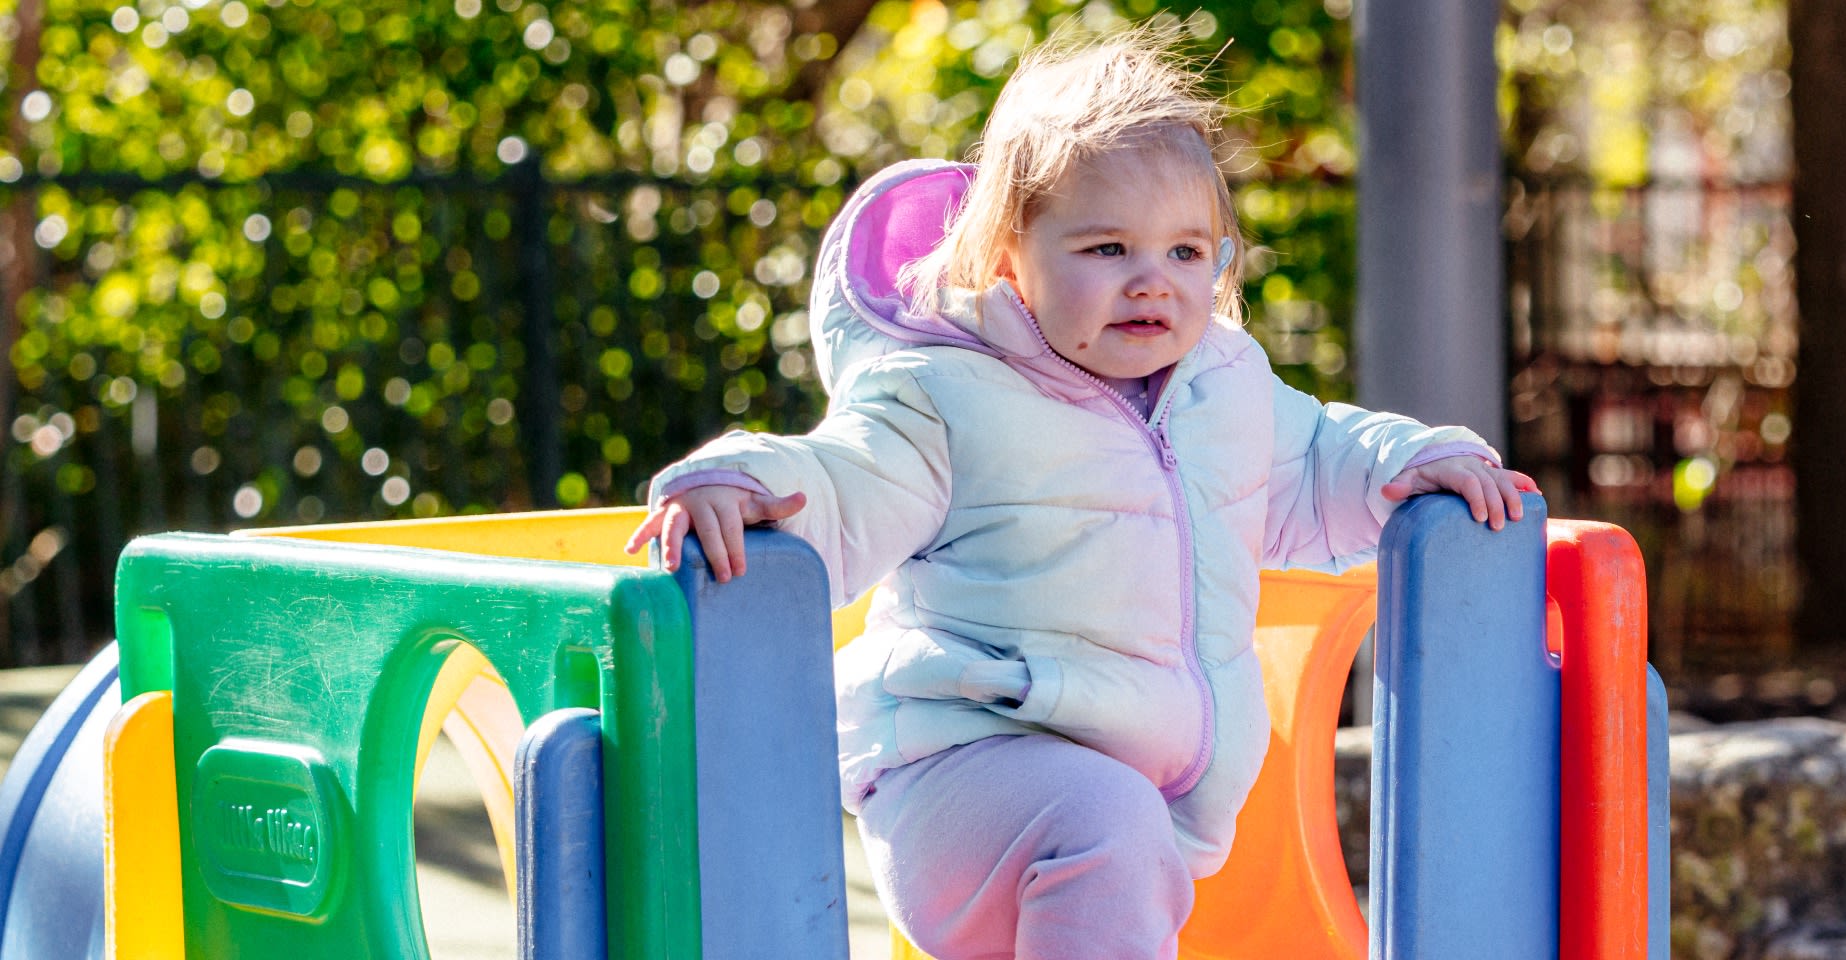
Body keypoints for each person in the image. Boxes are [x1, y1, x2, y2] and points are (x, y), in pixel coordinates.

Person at [623, 30, 1535, 960]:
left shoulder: (1224, 386)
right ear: (1008, 256)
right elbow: (847, 476)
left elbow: (1321, 461)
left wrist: (1418, 462)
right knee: (1107, 827)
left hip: (1138, 800)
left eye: (1187, 252)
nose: (1153, 282)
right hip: (955, 775)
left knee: (1117, 835)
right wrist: (744, 479)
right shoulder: (946, 393)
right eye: (1107, 247)